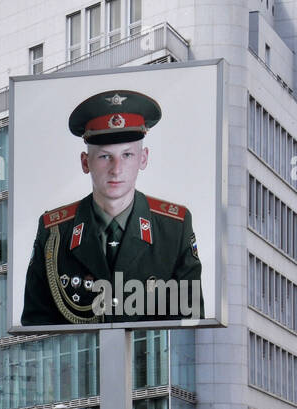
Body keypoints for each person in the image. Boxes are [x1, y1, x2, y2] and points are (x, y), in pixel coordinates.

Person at [20, 89, 201, 327]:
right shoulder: (55, 231)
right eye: (105, 157)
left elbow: (192, 326)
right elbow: (36, 329)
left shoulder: (174, 228)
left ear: (143, 158)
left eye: (127, 155)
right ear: (86, 163)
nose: (116, 169)